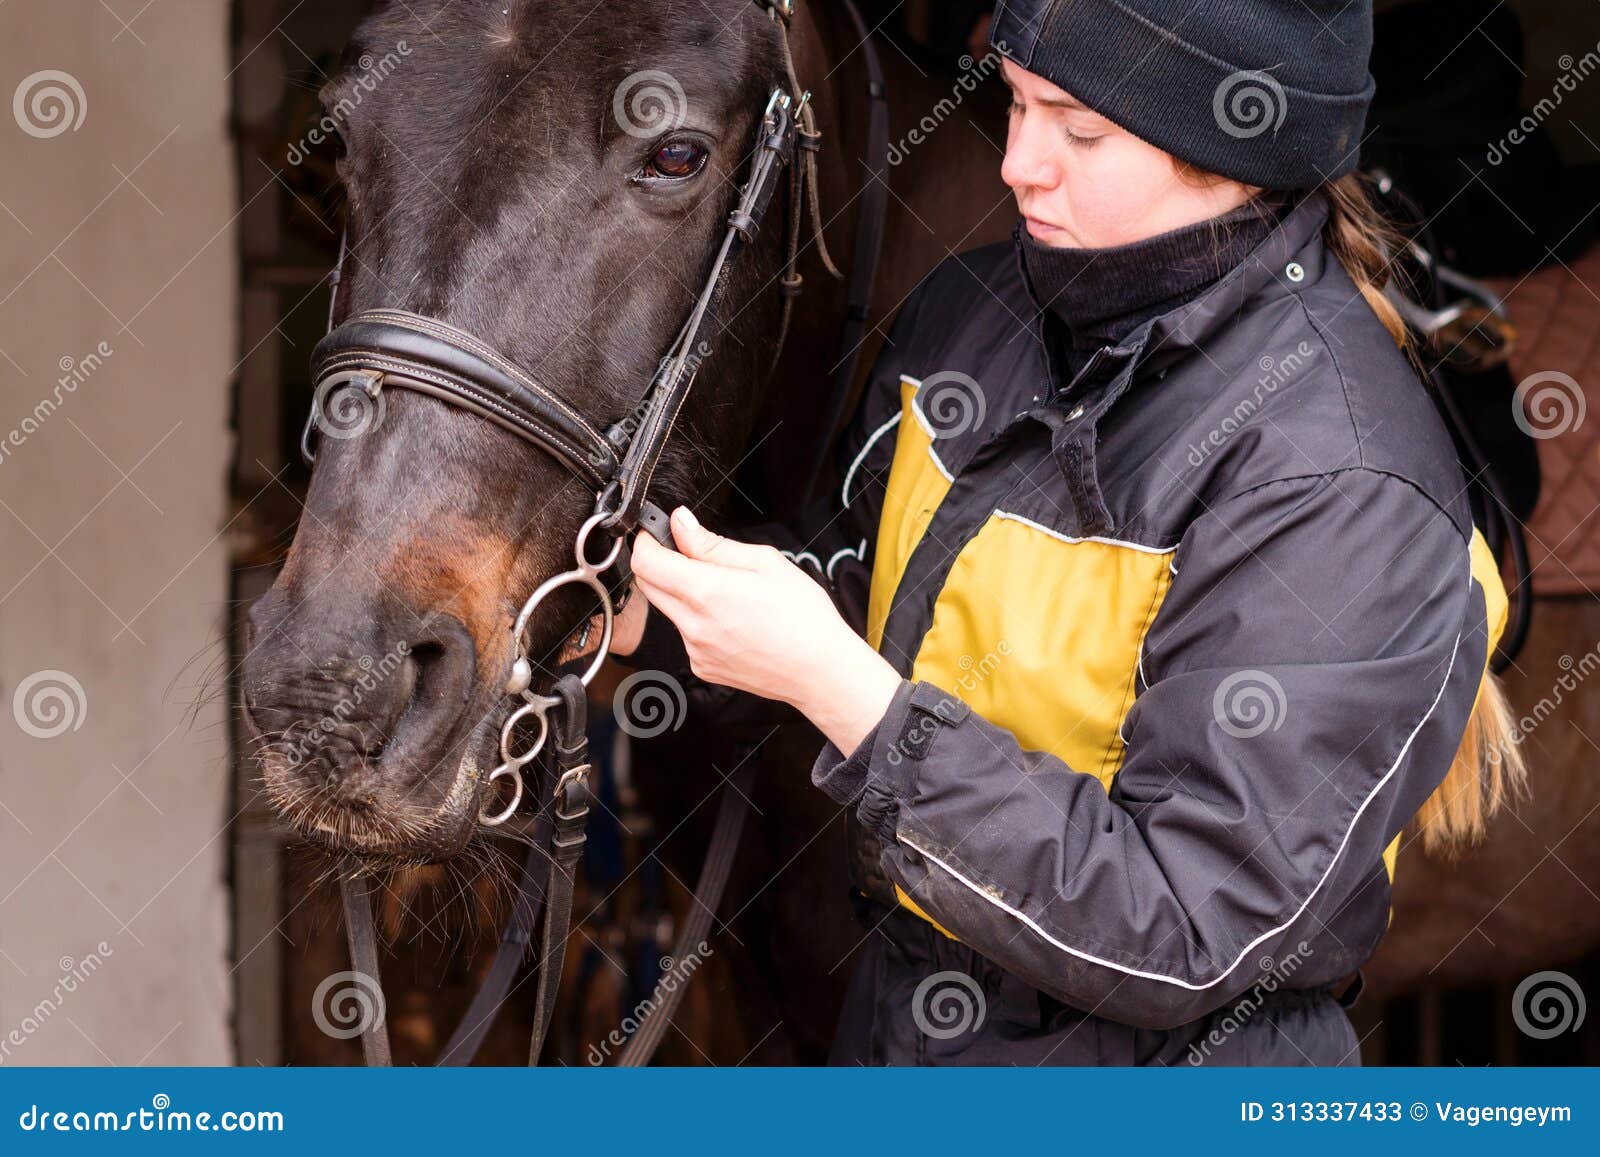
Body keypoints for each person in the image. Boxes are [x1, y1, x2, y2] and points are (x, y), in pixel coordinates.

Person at [608, 0, 1522, 1065]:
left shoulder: (1341, 479)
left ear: (1231, 154)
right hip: (906, 1032)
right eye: (1014, 103)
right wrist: (660, 608)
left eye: (1079, 131)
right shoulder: (971, 311)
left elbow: (1189, 931)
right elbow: (869, 583)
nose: (1017, 166)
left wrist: (848, 700)